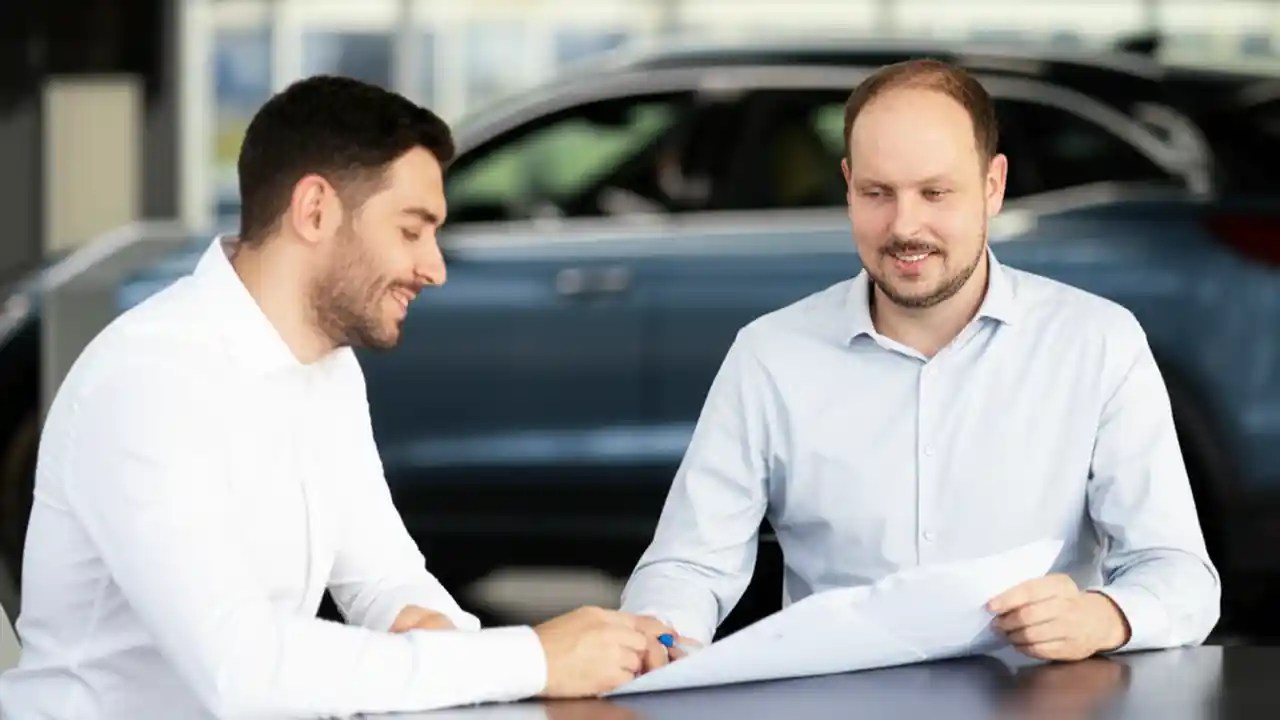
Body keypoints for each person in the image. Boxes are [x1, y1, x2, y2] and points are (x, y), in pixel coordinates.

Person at [0, 75, 674, 718]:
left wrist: (466, 645)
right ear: (316, 209)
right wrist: (531, 658)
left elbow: (385, 583)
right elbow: (241, 671)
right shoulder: (148, 381)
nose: (434, 267)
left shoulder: (329, 369)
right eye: (411, 230)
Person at [620, 59, 1220, 666]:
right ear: (849, 184)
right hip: (837, 702)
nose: (906, 226)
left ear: (993, 185)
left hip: (1041, 703)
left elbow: (1179, 575)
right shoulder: (770, 356)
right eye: (878, 193)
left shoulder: (1098, 343)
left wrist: (1106, 616)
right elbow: (690, 564)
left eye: (935, 192)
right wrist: (657, 641)